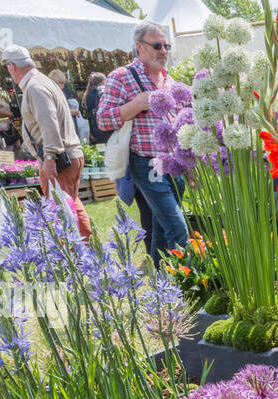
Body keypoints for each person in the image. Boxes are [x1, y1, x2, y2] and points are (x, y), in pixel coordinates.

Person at [97, 22, 189, 263]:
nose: (164, 51)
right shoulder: (122, 76)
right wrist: (136, 104)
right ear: (139, 46)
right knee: (178, 227)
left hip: (174, 165)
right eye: (157, 45)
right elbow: (103, 120)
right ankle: (189, 284)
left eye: (166, 45)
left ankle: (161, 285)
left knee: (160, 228)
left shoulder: (169, 80)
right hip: (147, 165)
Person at [3, 45, 91, 239]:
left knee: (61, 211)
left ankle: (79, 255)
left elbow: (48, 121)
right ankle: (86, 251)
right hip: (64, 156)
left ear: (11, 67)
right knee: (69, 204)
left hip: (59, 159)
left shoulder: (35, 86)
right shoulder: (41, 82)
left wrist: (50, 156)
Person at [84, 72, 111, 145]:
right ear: (103, 82)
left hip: (95, 129)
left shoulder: (88, 95)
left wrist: (91, 132)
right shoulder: (103, 93)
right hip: (106, 128)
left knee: (100, 152)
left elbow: (89, 114)